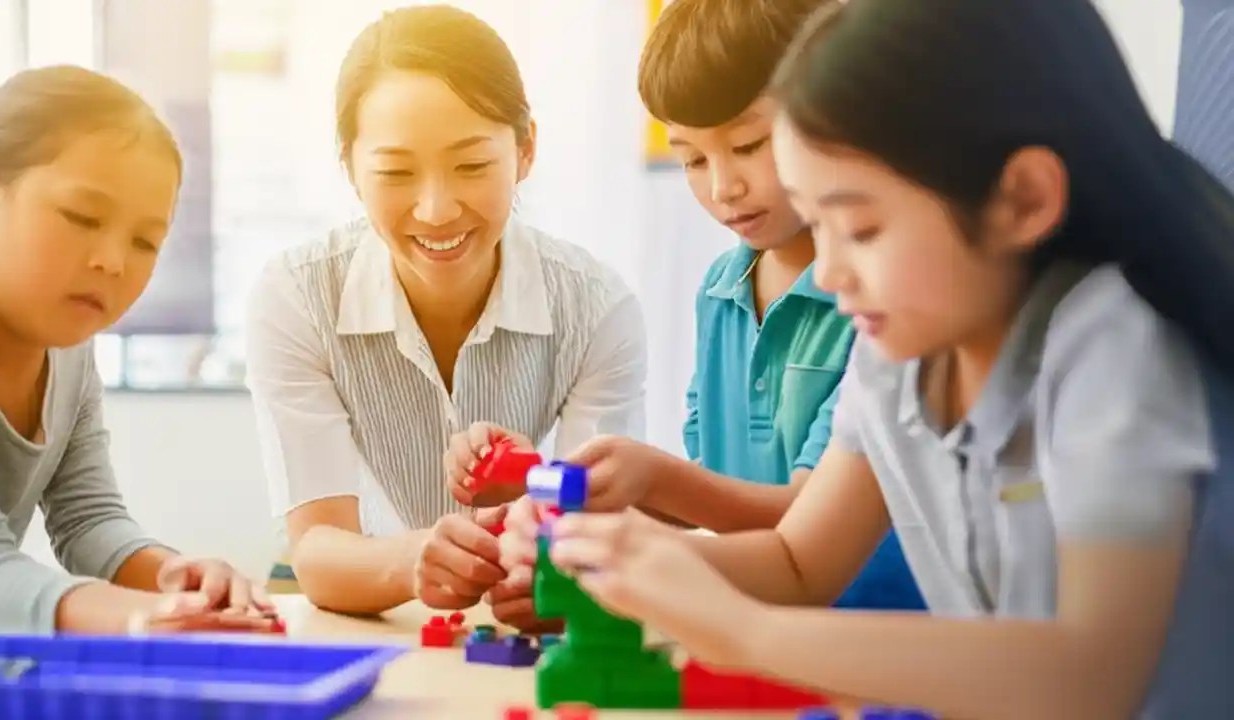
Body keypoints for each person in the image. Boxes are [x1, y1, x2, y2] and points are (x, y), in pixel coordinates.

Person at [502, 0, 1234, 717]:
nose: (827, 271)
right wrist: (609, 556)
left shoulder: (1115, 344)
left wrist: (744, 632)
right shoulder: (898, 357)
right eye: (816, 223)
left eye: (859, 226)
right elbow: (797, 563)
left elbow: (1090, 678)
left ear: (1023, 198)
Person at [464, 0, 921, 617]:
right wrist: (566, 496)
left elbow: (811, 528)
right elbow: (715, 507)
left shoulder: (884, 297)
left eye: (750, 144)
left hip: (876, 640)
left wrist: (652, 483)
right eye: (693, 159)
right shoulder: (720, 290)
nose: (723, 187)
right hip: (760, 635)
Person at [245, 5, 646, 619]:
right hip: (357, 617)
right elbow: (319, 548)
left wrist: (549, 570)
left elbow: (602, 528)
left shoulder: (595, 308)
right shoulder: (298, 296)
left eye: (472, 166)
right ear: (350, 166)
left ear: (526, 149)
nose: (435, 210)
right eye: (396, 172)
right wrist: (413, 559)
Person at [0, 66, 273, 634]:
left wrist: (179, 580)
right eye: (82, 217)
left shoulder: (69, 353)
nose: (113, 261)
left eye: (145, 240)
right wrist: (144, 616)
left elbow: (88, 522)